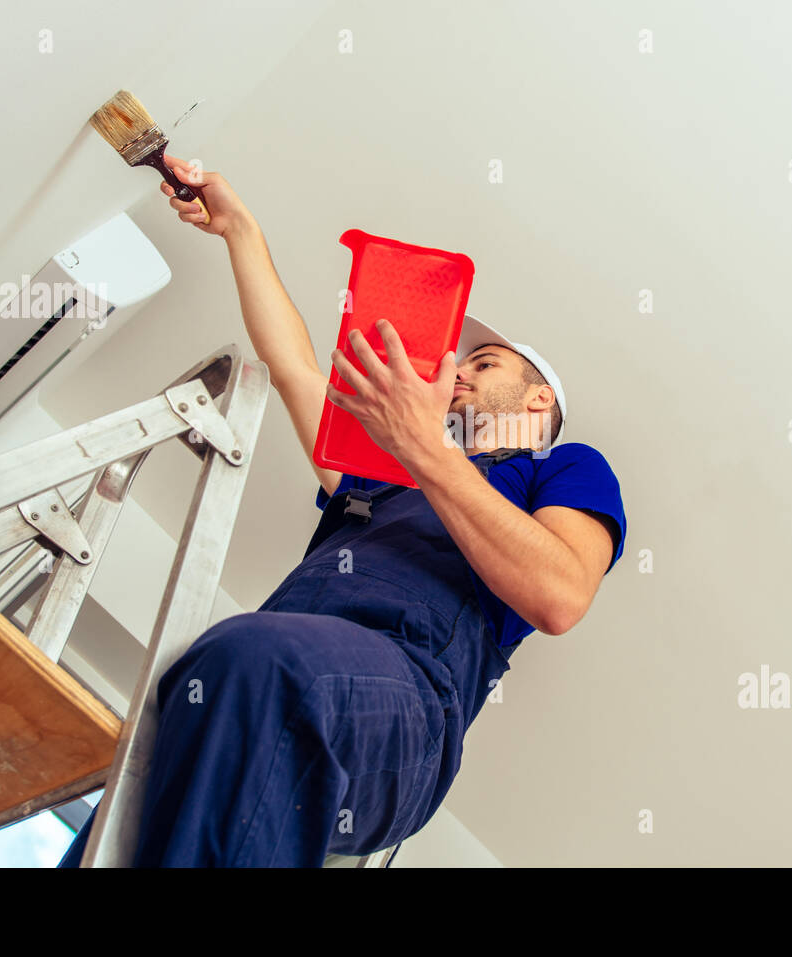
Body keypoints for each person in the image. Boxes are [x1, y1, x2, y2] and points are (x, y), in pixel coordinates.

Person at [58, 157, 627, 866]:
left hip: (408, 706)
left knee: (253, 664)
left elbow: (561, 592)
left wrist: (428, 451)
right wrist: (240, 230)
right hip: (268, 668)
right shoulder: (383, 471)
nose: (458, 374)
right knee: (141, 789)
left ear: (540, 399)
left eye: (485, 364)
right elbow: (296, 367)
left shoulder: (565, 468)